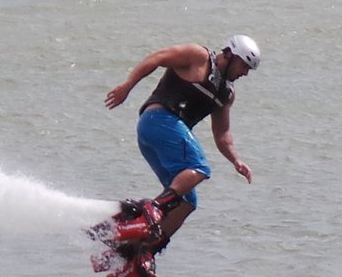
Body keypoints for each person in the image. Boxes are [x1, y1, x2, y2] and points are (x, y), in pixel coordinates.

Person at [102, 36, 260, 249]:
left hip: (164, 135)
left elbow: (222, 133)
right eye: (244, 66)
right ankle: (153, 208)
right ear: (230, 54)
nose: (245, 73)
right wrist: (128, 86)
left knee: (187, 202)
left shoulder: (226, 93)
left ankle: (140, 250)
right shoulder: (198, 56)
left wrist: (236, 161)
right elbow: (157, 58)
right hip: (157, 120)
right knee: (199, 167)